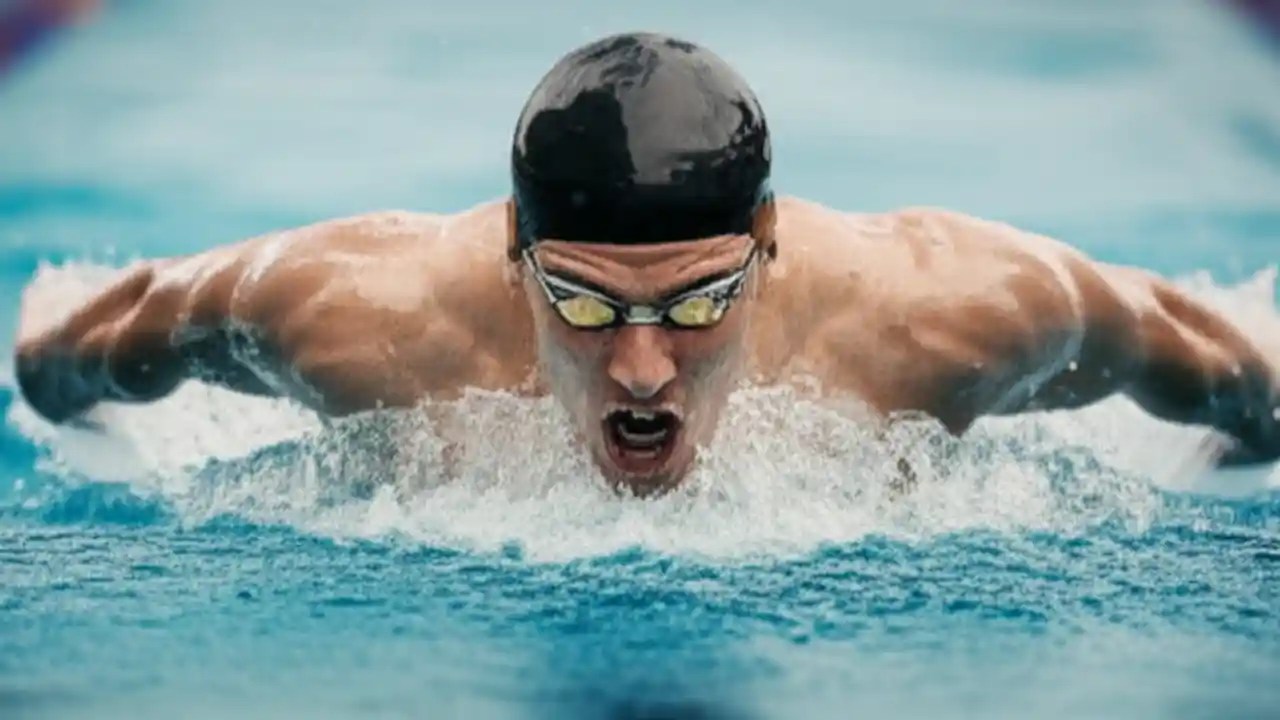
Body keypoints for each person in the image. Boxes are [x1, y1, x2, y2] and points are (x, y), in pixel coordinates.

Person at [12, 32, 1280, 495]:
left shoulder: (942, 315)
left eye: (695, 304)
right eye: (578, 299)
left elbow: (1226, 361)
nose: (638, 367)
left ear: (766, 251)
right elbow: (104, 336)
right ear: (513, 255)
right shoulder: (359, 319)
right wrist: (59, 381)